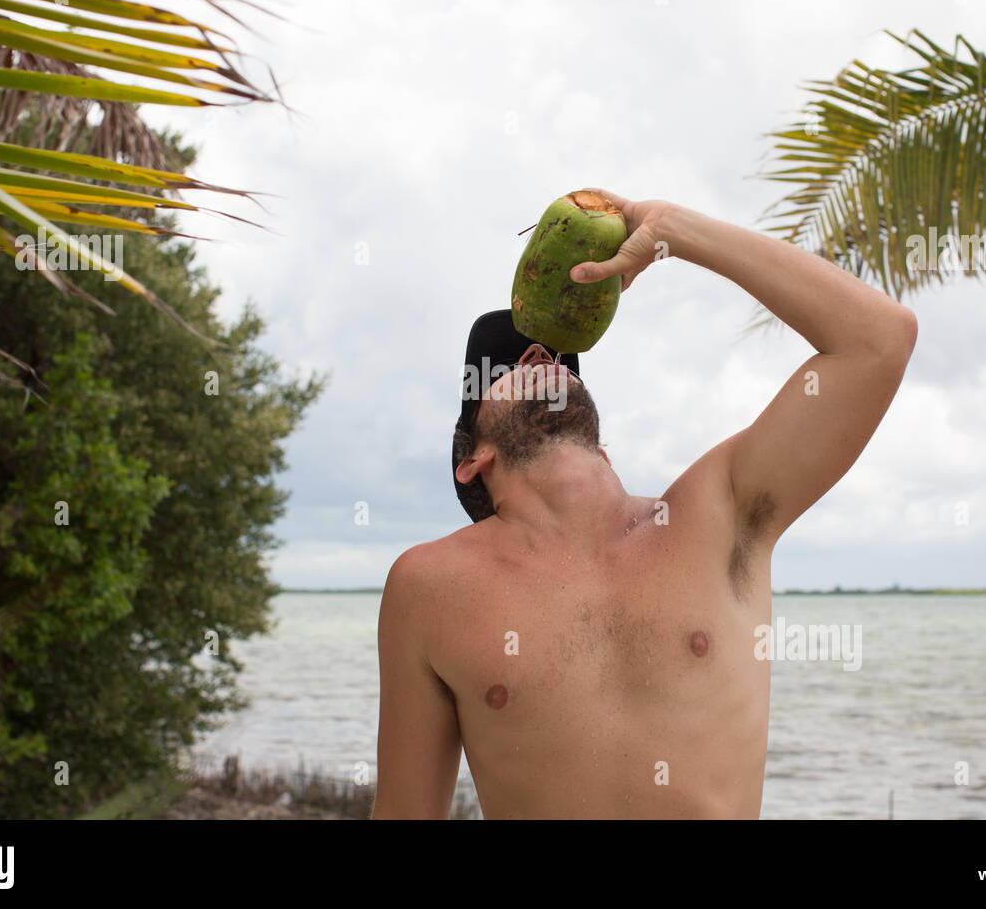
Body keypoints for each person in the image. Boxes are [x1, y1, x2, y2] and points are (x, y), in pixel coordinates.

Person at [372, 189, 917, 818]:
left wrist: (674, 230)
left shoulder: (715, 515)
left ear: (603, 448)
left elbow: (879, 337)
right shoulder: (430, 586)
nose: (539, 357)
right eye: (509, 370)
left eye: (557, 358)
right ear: (473, 461)